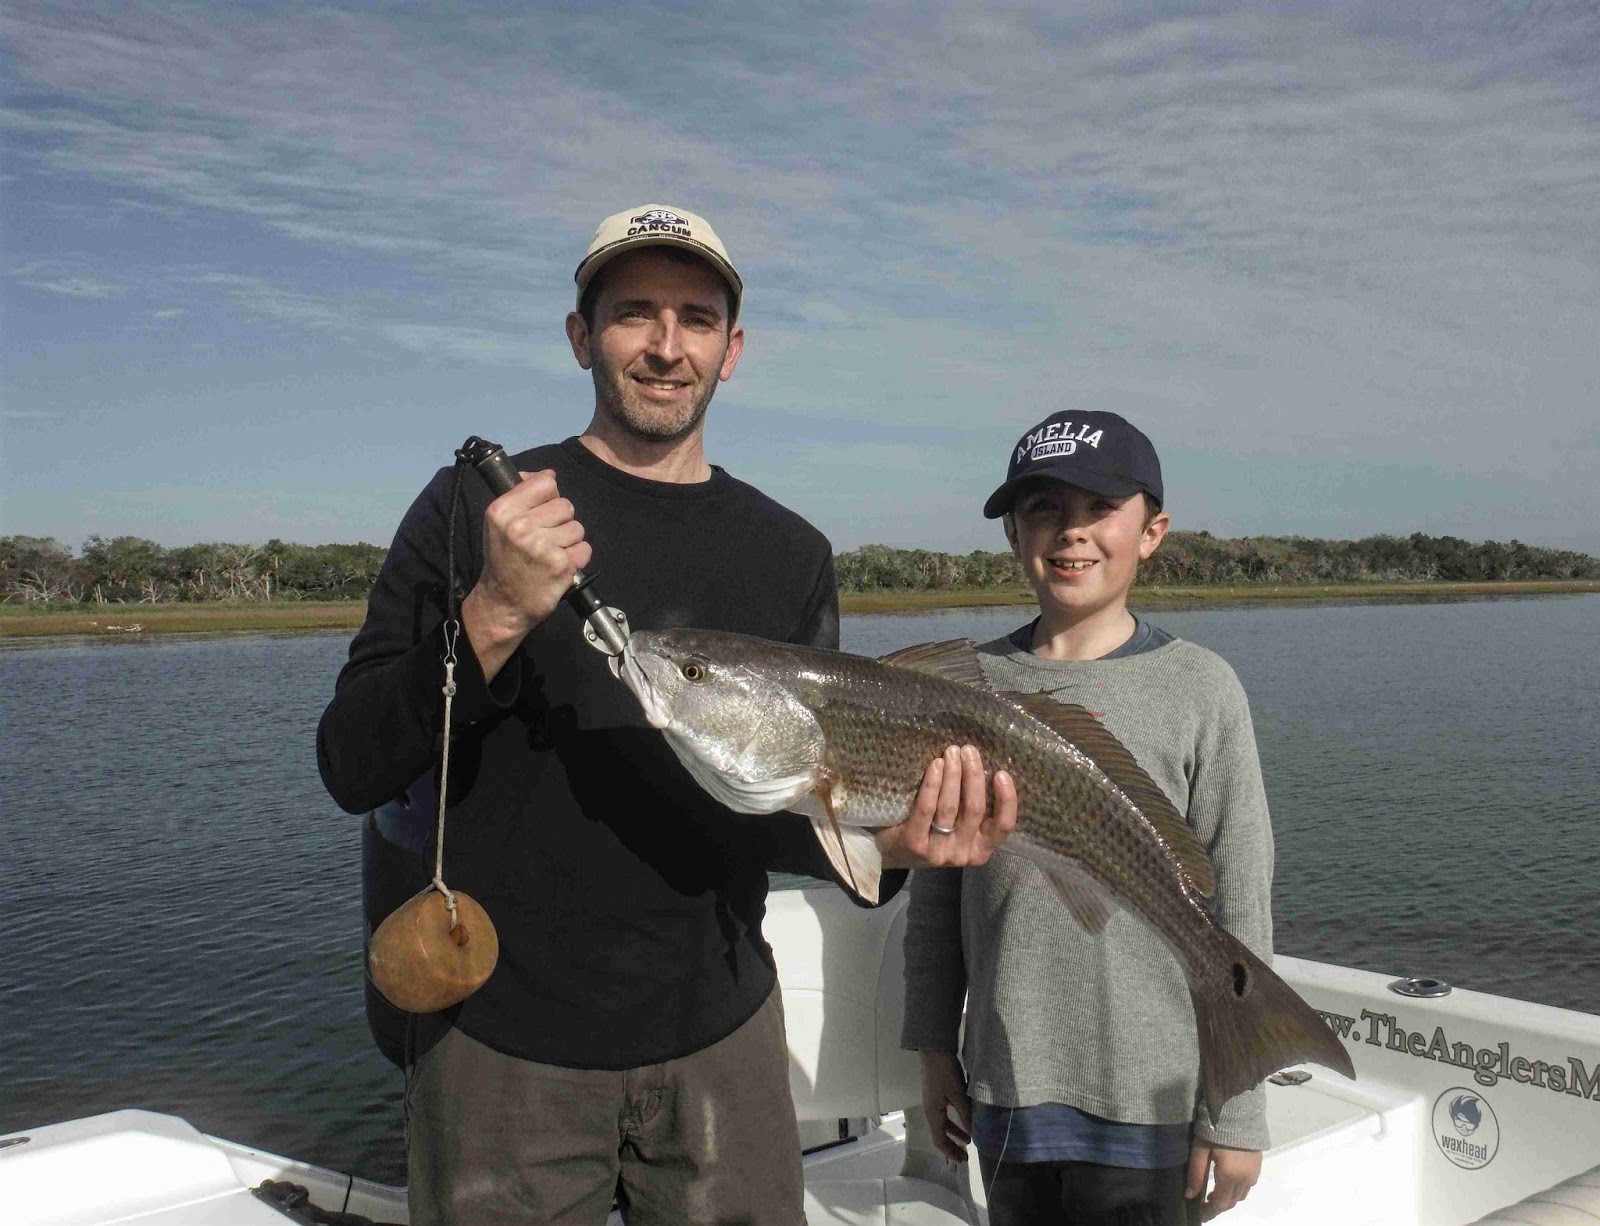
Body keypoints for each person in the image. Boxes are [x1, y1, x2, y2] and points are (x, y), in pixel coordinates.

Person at [316, 203, 1017, 1226]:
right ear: (579, 335)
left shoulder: (788, 552)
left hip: (721, 1035)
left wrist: (890, 840)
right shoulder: (474, 509)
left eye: (694, 317)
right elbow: (350, 762)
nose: (663, 343)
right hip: (500, 1042)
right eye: (632, 312)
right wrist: (495, 609)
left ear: (732, 351)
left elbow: (779, 803)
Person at [901, 409, 1274, 1225]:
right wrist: (934, 1048)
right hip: (1007, 1086)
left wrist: (1235, 1112)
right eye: (1043, 510)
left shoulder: (1201, 687)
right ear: (1012, 534)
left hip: (1151, 1091)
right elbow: (936, 886)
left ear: (1153, 531)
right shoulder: (963, 684)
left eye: (1099, 509)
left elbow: (1239, 899)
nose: (1071, 534)